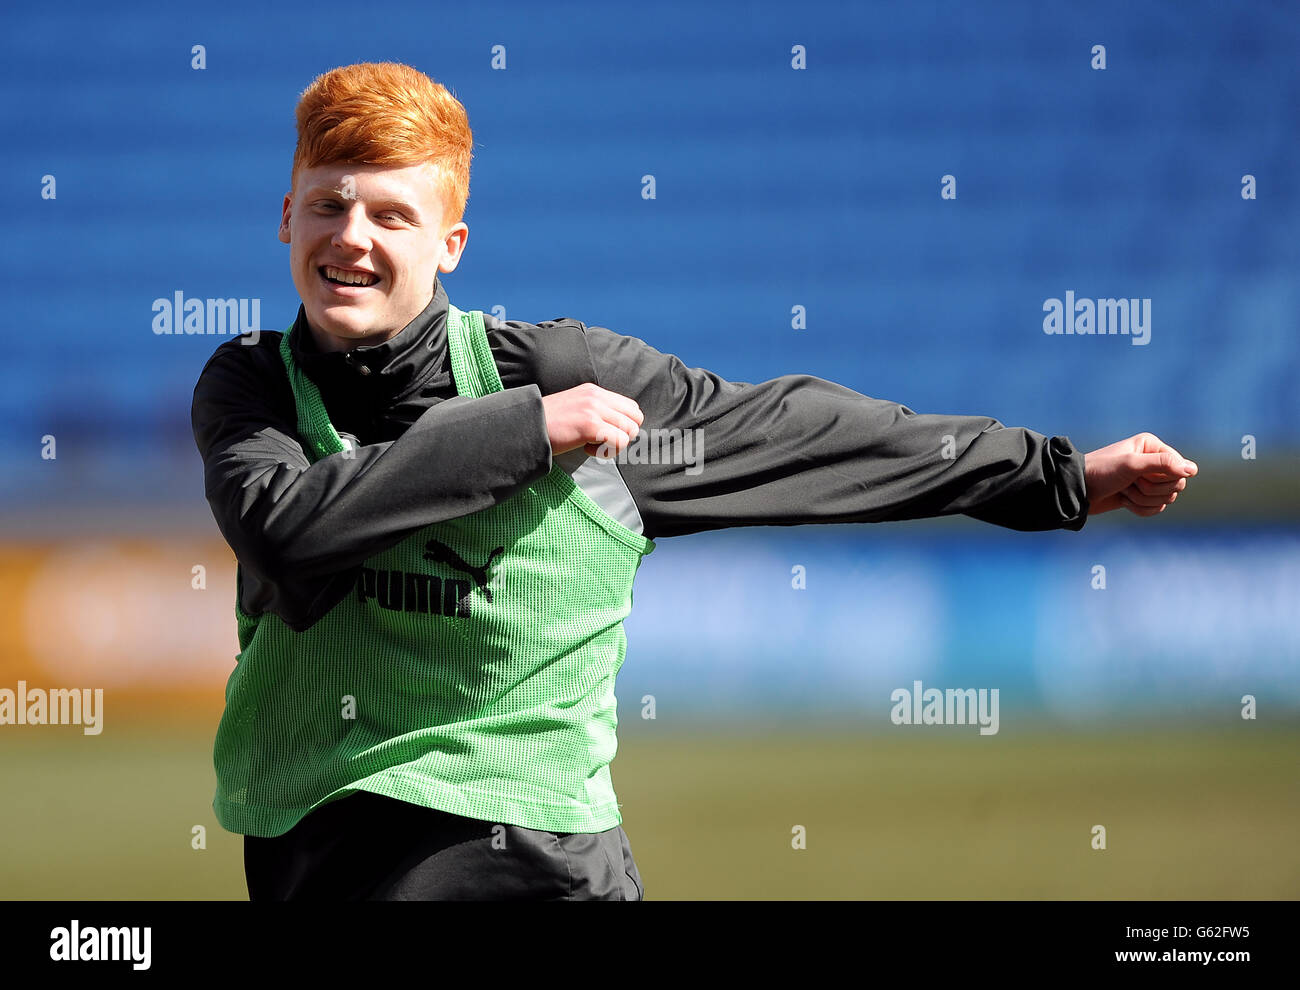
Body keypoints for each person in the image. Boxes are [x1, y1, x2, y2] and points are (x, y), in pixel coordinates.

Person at [190, 61, 1198, 901]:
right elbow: (285, 530)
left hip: (524, 848)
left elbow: (794, 435)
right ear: (286, 217)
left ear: (451, 244)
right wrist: (525, 433)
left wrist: (1053, 475)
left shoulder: (560, 371)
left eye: (392, 215)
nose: (352, 237)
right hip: (305, 840)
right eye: (329, 204)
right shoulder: (251, 386)